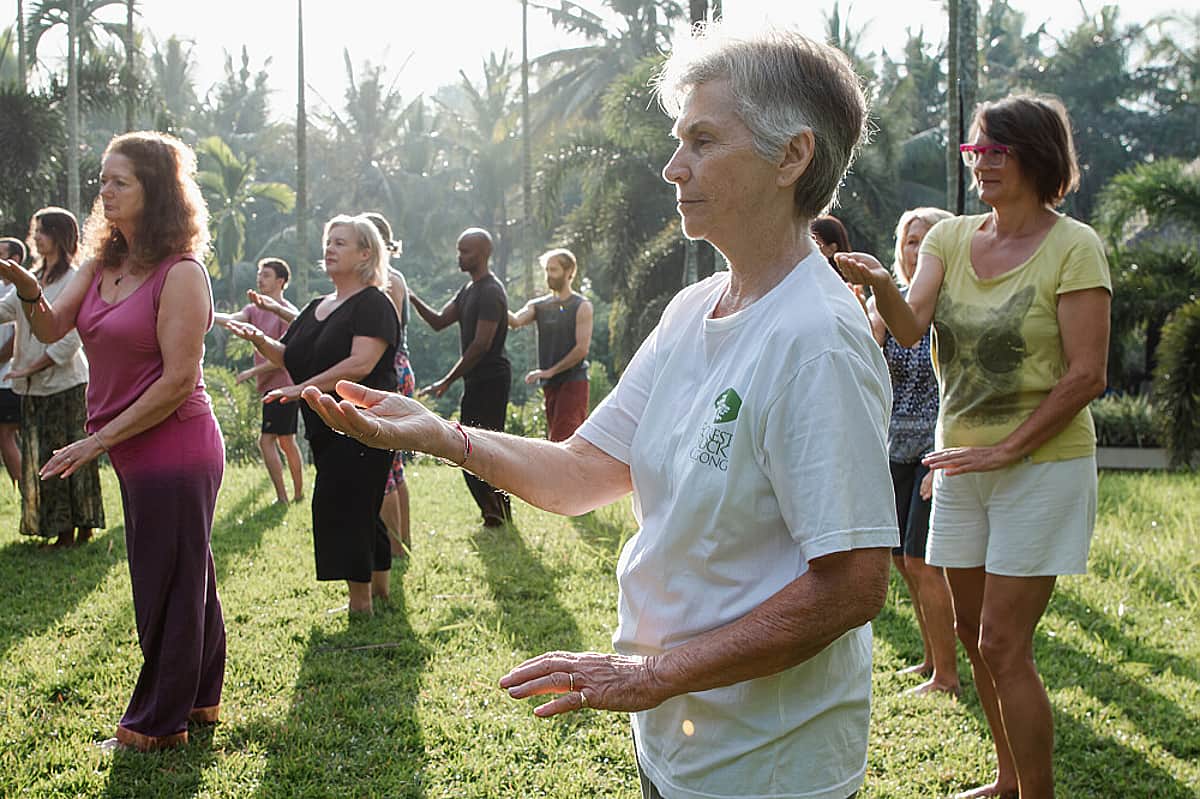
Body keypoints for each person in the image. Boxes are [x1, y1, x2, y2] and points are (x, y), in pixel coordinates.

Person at [302, 23, 896, 799]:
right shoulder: (693, 309)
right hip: (679, 742)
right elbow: (582, 472)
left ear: (793, 156)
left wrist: (653, 674)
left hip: (767, 764)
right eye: (679, 137)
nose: (672, 164)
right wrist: (441, 434)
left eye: (703, 139)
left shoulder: (818, 338)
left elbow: (852, 585)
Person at [838, 94, 1111, 799]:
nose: (981, 163)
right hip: (960, 462)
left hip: (1042, 465)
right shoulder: (949, 239)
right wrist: (876, 282)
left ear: (1038, 156)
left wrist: (1004, 450)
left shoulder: (1074, 247)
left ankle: (1036, 793)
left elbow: (1087, 374)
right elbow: (909, 325)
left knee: (1001, 642)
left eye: (998, 150)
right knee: (967, 629)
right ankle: (1006, 778)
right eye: (975, 151)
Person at [0, 131, 227, 752]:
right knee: (187, 575)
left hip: (175, 445)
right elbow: (49, 325)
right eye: (102, 178)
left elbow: (179, 382)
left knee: (165, 582)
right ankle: (201, 699)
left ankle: (157, 724)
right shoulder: (103, 265)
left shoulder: (181, 273)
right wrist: (24, 285)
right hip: (130, 445)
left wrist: (95, 442)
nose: (103, 190)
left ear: (155, 191)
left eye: (118, 180)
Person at [227, 214, 399, 614]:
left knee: (348, 505)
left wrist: (302, 388)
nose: (330, 249)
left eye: (341, 242)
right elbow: (290, 354)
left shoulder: (374, 302)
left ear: (365, 254)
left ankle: (361, 604)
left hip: (363, 423)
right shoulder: (318, 306)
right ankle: (381, 592)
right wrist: (260, 340)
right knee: (358, 505)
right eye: (328, 241)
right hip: (325, 425)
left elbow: (360, 363)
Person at [866, 207, 960, 697]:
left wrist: (936, 464)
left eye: (926, 242)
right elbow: (868, 374)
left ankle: (948, 675)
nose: (915, 251)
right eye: (908, 241)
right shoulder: (892, 306)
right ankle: (930, 659)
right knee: (903, 561)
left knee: (925, 563)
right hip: (892, 449)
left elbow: (954, 388)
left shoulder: (952, 307)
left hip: (932, 449)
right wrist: (875, 326)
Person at [0, 209, 105, 548]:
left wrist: (32, 367)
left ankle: (78, 527)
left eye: (44, 231)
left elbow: (71, 338)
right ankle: (56, 527)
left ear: (60, 236)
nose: (38, 237)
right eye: (36, 231)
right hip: (32, 386)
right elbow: (4, 311)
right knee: (42, 456)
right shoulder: (31, 279)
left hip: (66, 383)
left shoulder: (76, 278)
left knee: (70, 455)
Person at [408, 228, 512, 527]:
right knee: (474, 448)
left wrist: (446, 381)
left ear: (483, 254)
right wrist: (411, 297)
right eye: (459, 250)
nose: (460, 257)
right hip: (477, 381)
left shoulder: (491, 291)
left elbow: (481, 345)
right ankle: (496, 513)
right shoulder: (468, 291)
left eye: (465, 251)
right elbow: (440, 322)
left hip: (491, 379)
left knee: (479, 449)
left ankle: (496, 514)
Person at [215, 258, 303, 505]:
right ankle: (297, 494)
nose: (260, 279)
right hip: (272, 387)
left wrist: (250, 373)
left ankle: (285, 497)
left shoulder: (287, 312)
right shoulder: (254, 310)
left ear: (280, 281)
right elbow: (234, 318)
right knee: (286, 441)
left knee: (267, 441)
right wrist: (207, 314)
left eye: (266, 275)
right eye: (259, 274)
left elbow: (284, 357)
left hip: (283, 385)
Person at [364, 211, 416, 556]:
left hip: (391, 373)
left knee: (386, 466)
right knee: (393, 467)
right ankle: (402, 543)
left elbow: (386, 332)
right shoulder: (386, 277)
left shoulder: (389, 280)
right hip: (391, 371)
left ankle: (396, 547)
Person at [508, 248, 594, 442]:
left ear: (569, 271)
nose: (548, 275)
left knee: (563, 440)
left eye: (553, 270)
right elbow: (515, 321)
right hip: (551, 385)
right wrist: (493, 299)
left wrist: (550, 371)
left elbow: (582, 349)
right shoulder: (539, 305)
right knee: (555, 439)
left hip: (573, 382)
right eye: (546, 270)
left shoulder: (582, 306)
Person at [0, 238, 25, 486]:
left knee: (6, 433)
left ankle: (27, 488)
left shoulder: (19, 288)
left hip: (11, 378)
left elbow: (18, 334)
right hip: (3, 378)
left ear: (14, 259)